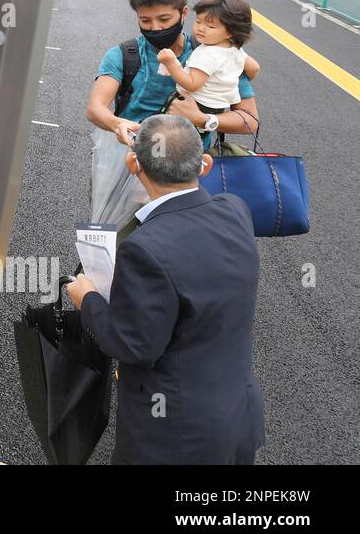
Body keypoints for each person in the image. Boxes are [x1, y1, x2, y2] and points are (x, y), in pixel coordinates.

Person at [67, 115, 265, 464]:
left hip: (174, 436)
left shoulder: (145, 248)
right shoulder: (235, 210)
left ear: (133, 164)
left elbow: (133, 345)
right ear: (204, 165)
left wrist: (89, 300)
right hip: (236, 415)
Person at [86, 0, 260, 149]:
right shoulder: (124, 55)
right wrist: (118, 124)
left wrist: (205, 119)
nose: (155, 28)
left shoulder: (218, 53)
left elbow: (249, 120)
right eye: (145, 20)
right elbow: (95, 108)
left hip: (190, 160)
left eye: (164, 19)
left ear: (184, 13)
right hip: (132, 153)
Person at [157, 0, 258, 117]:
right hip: (217, 106)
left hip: (196, 104)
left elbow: (191, 84)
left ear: (231, 32)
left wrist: (171, 63)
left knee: (168, 127)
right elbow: (254, 68)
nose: (201, 28)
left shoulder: (207, 54)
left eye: (210, 26)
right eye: (198, 22)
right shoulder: (234, 49)